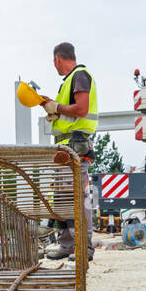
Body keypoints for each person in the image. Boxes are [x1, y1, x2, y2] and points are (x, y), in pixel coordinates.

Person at [40, 42, 97, 261]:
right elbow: (72, 113)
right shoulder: (69, 81)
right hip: (66, 149)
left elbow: (81, 109)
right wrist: (56, 111)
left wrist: (58, 108)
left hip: (76, 147)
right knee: (63, 199)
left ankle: (84, 248)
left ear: (57, 59)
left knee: (76, 199)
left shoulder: (80, 75)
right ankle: (66, 245)